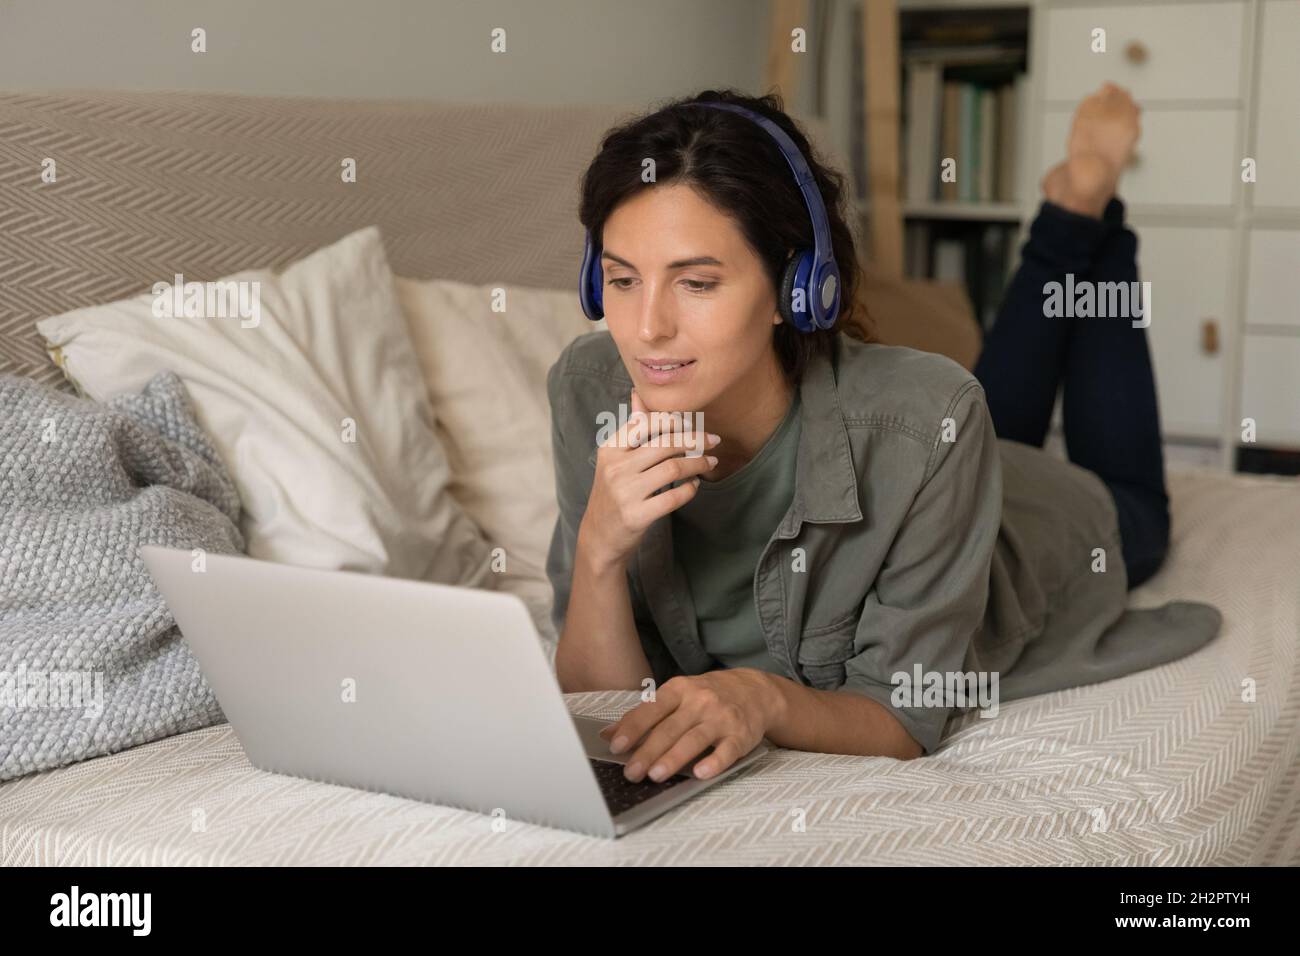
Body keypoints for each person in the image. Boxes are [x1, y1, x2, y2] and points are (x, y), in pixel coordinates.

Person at [545, 83, 1202, 781]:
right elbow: (608, 714)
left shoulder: (928, 420)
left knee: (1120, 492)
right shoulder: (590, 393)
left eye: (696, 283)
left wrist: (761, 698)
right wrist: (597, 551)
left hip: (1037, 520)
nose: (647, 330)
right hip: (940, 454)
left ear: (796, 285)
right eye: (620, 281)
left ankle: (1084, 214)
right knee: (971, 409)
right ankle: (1070, 216)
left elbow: (901, 714)